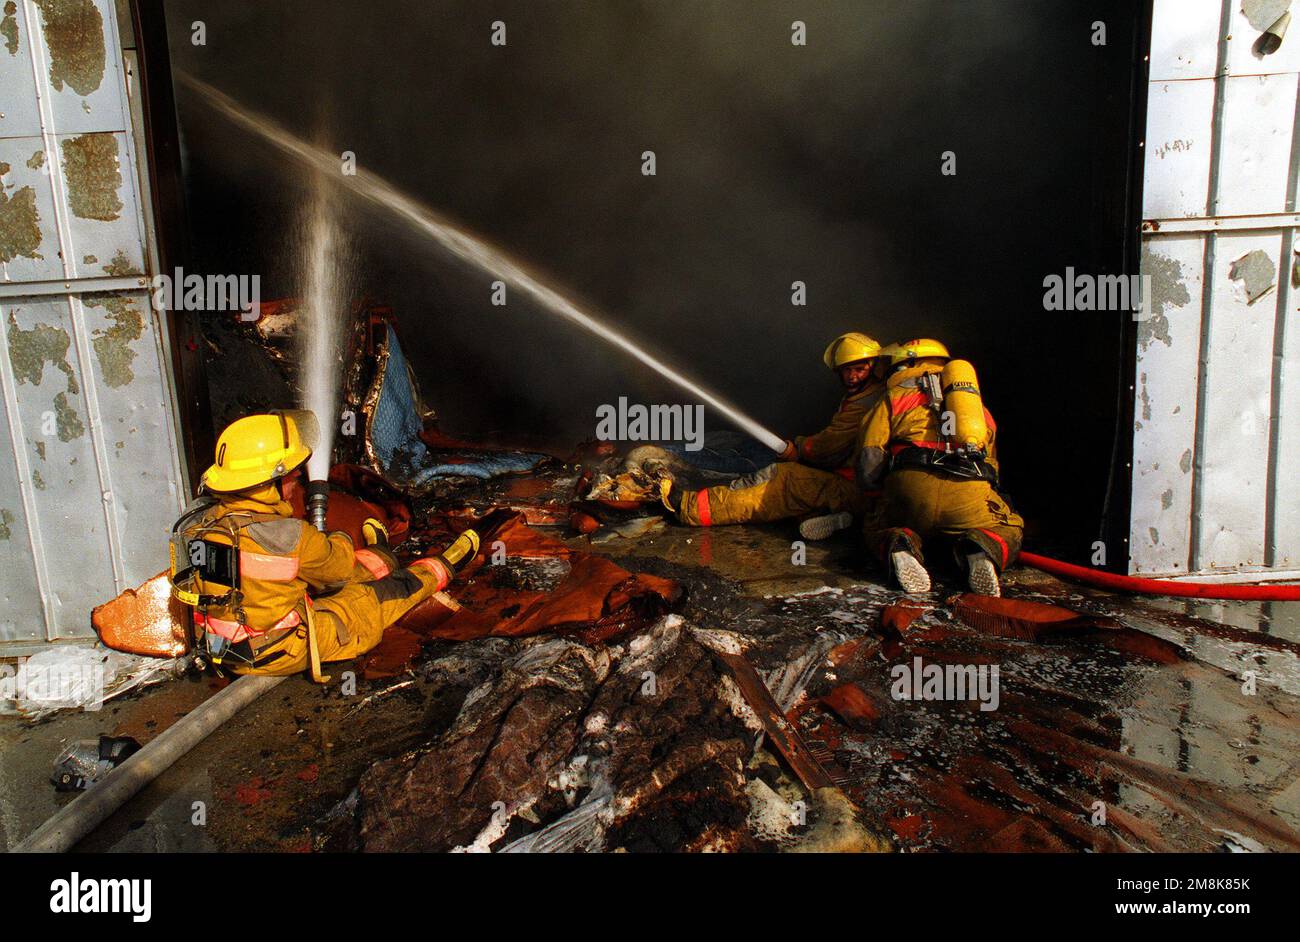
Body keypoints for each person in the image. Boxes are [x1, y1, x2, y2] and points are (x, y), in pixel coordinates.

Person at [169, 411, 479, 681]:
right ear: (268, 482)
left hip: (221, 644)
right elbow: (338, 571)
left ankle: (382, 553)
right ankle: (443, 566)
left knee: (351, 571)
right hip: (279, 648)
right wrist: (339, 537)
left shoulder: (198, 524)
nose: (297, 478)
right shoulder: (287, 536)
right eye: (291, 472)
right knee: (375, 598)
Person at [658, 332, 885, 540]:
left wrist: (797, 448)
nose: (852, 377)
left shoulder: (864, 403)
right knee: (801, 495)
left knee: (781, 481)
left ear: (873, 368)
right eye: (847, 370)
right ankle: (838, 517)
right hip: (862, 492)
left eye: (859, 369)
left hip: (857, 491)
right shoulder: (873, 396)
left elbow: (828, 446)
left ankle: (688, 506)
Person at [855, 339, 1022, 596]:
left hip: (912, 484)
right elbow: (992, 465)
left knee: (875, 526)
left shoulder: (894, 396)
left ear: (907, 363)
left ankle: (900, 545)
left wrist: (877, 494)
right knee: (1008, 526)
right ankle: (980, 549)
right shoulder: (975, 407)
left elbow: (869, 457)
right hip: (968, 491)